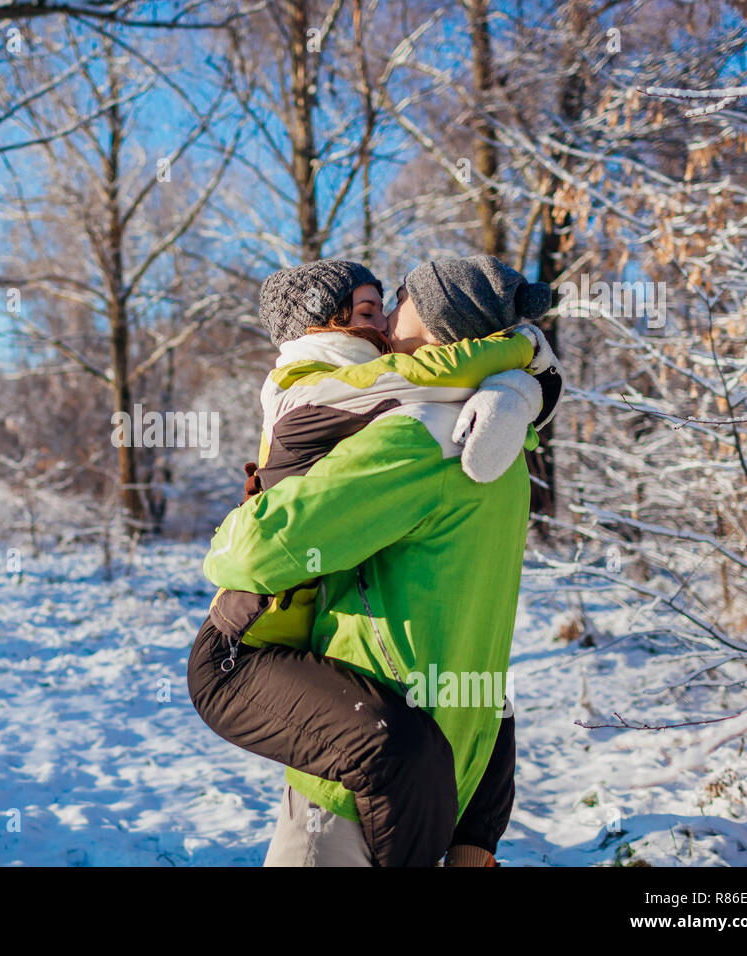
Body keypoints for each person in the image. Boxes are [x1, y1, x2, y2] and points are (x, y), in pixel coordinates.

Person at [190, 255, 562, 866]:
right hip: (449, 762)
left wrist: (238, 521)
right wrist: (477, 830)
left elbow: (255, 551)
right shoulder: (507, 451)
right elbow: (481, 633)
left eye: (398, 302)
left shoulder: (416, 437)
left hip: (351, 787)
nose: (386, 321)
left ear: (437, 321)